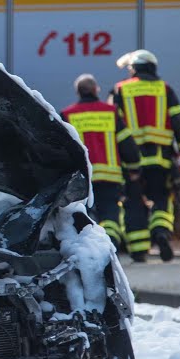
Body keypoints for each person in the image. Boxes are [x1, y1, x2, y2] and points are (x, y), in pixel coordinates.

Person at [112, 50, 180, 263]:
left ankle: (139, 250)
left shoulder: (121, 89)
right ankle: (161, 233)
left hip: (132, 162)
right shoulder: (165, 89)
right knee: (161, 198)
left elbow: (114, 126)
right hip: (160, 159)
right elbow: (179, 123)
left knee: (133, 203)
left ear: (135, 68)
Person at [61, 74, 141, 252]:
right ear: (96, 90)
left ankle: (88, 249)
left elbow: (62, 150)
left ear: (78, 92)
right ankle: (110, 242)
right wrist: (134, 166)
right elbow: (126, 142)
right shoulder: (110, 112)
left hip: (83, 179)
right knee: (110, 212)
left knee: (85, 214)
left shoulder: (67, 114)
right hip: (109, 177)